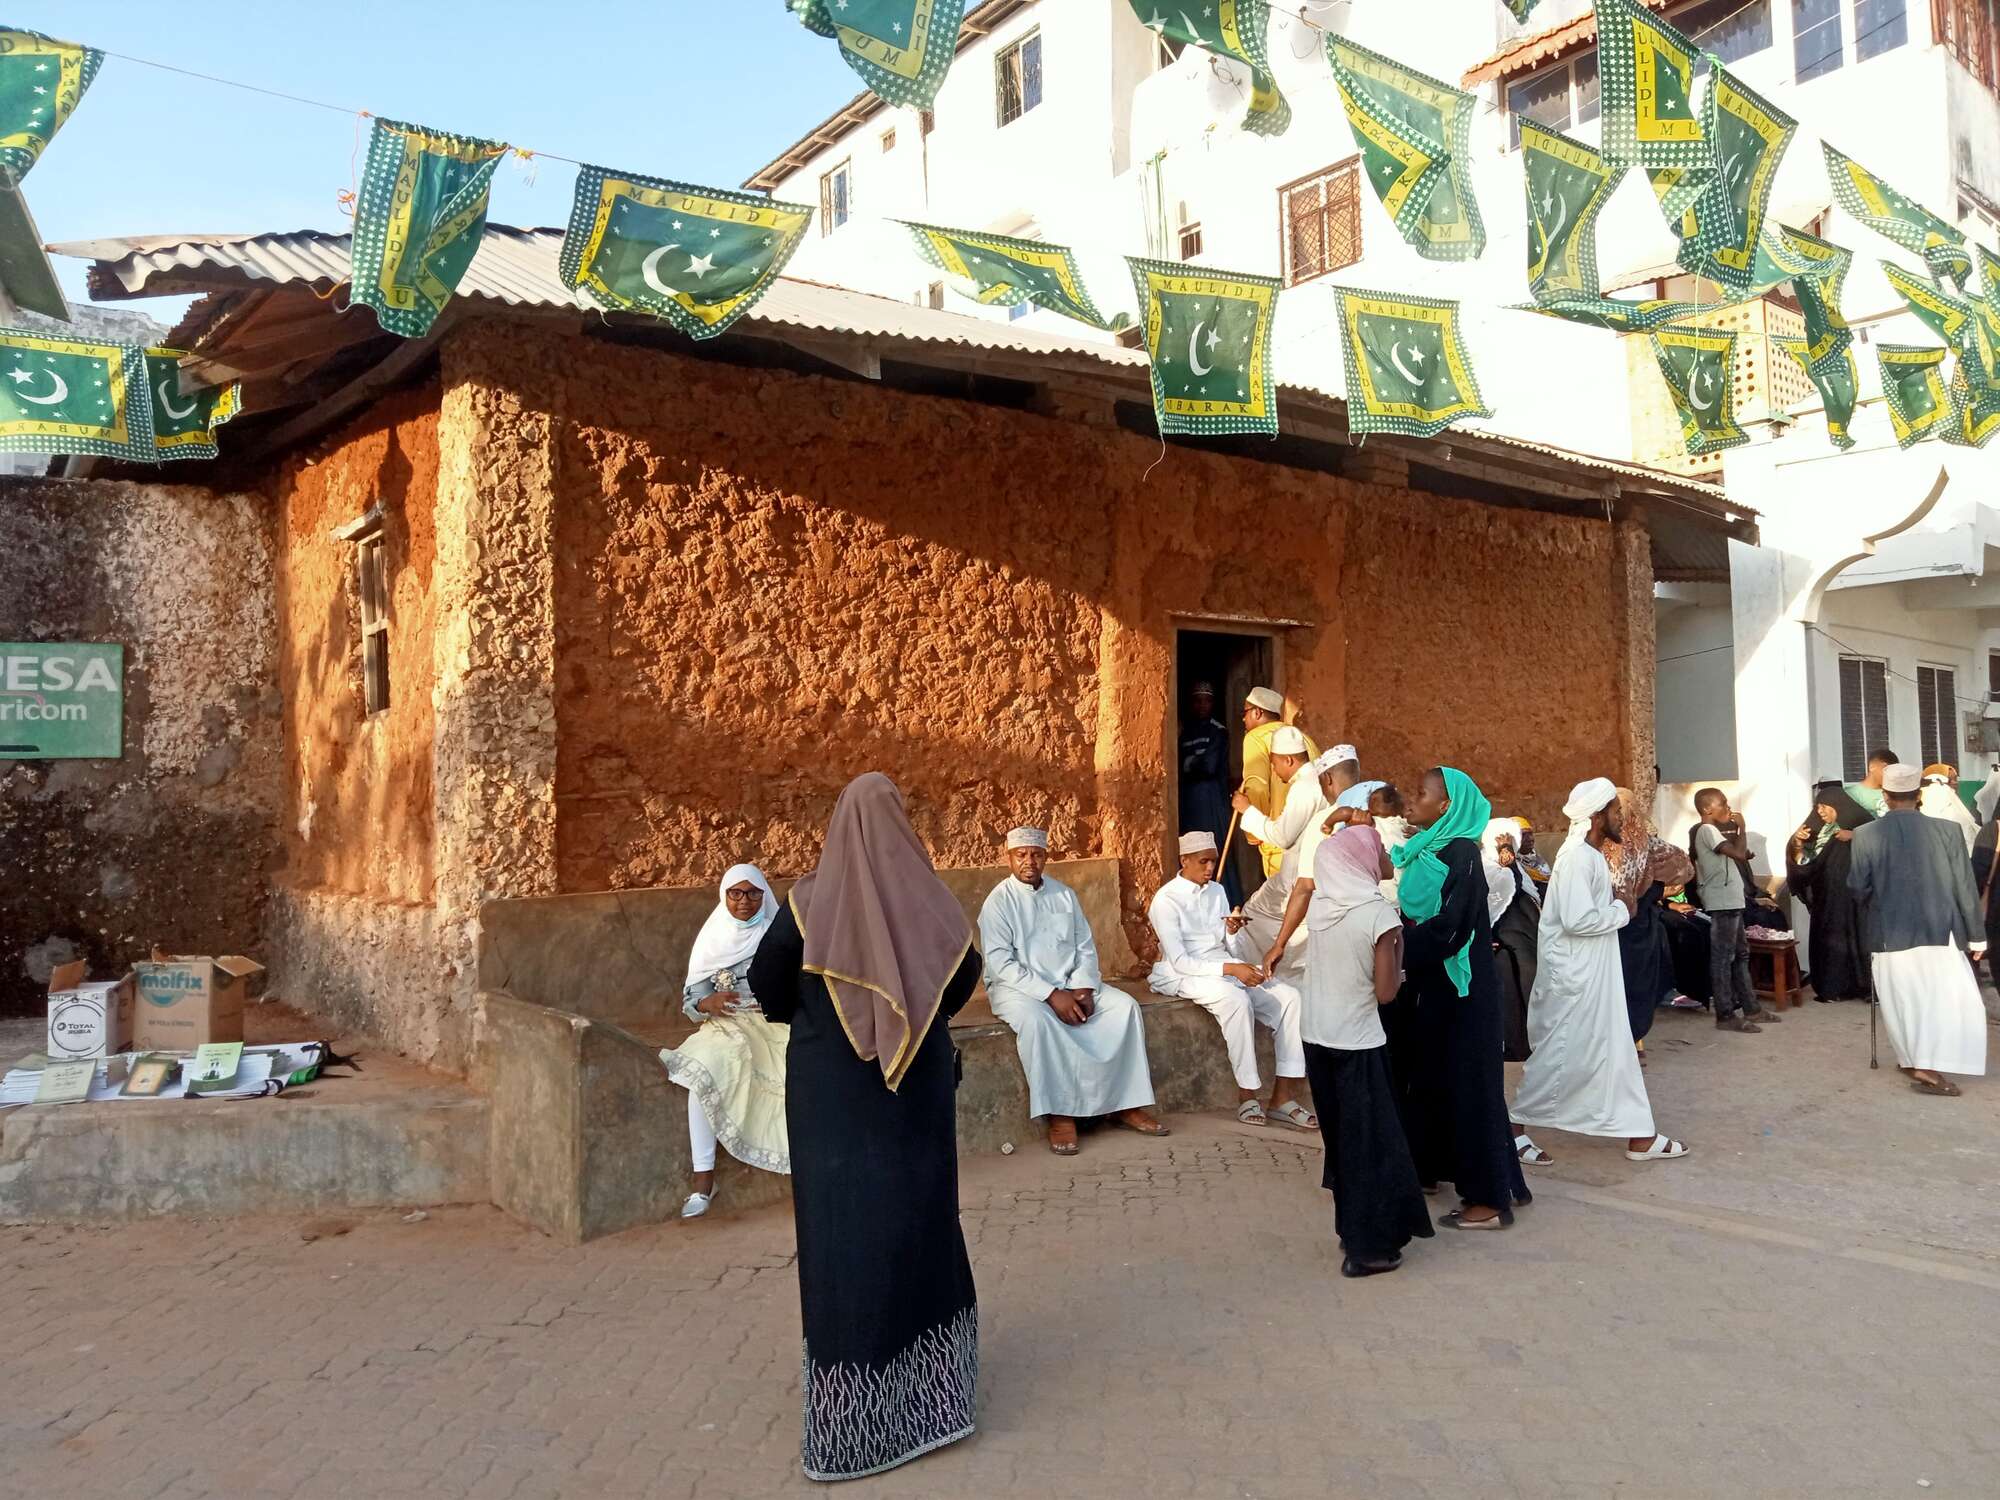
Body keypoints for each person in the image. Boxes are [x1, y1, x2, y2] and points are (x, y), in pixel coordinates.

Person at [747, 773, 982, 1482]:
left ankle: (853, 1432)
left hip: (833, 1102)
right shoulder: (934, 904)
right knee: (921, 1222)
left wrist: (822, 1020)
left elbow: (766, 986)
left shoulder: (807, 904)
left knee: (843, 1237)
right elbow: (961, 981)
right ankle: (935, 1407)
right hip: (917, 1097)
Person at [1513, 779, 1691, 1163]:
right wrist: (1619, 911)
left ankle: (1639, 1135)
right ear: (1596, 816)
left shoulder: (1590, 855)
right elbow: (1577, 920)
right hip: (1575, 979)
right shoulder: (1577, 857)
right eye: (1614, 812)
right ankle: (1512, 1129)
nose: (1620, 819)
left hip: (1595, 973)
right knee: (1557, 1056)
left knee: (1614, 1053)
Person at [1390, 767, 1532, 1230]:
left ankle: (1489, 1200)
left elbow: (1450, 928)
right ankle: (1430, 1169)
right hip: (1435, 988)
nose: (1413, 801)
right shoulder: (1427, 850)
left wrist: (1394, 947)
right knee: (1430, 1077)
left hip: (1463, 990)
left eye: (1422, 793)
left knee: (1472, 1088)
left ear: (1447, 806)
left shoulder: (1462, 854)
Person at [978, 827, 1167, 1156]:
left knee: (1124, 1008)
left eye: (1036, 855)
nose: (1029, 861)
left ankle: (1126, 1104)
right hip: (1019, 990)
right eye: (1021, 855)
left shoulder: (1064, 894)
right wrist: (1051, 995)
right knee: (1039, 1023)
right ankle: (1061, 1116)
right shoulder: (998, 902)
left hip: (1071, 983)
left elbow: (1084, 945)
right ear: (1008, 858)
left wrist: (1083, 986)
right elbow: (1000, 964)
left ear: (1046, 858)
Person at [1300, 823, 1435, 1278]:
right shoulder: (1378, 915)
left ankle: (1349, 1228)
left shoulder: (1322, 905)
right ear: (1359, 861)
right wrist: (1397, 954)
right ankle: (1368, 1248)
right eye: (1378, 850)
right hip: (1358, 1042)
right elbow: (1384, 994)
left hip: (1316, 1036)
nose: (1387, 856)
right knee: (1370, 1145)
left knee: (1341, 1141)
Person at [1148, 830, 1315, 1130]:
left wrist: (1232, 932)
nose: (1210, 869)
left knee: (1290, 998)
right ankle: (1247, 1095)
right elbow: (1181, 960)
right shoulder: (1165, 900)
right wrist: (1232, 970)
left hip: (1220, 963)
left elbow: (1228, 948)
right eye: (1203, 862)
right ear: (1184, 861)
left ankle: (1282, 1098)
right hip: (1180, 973)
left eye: (1212, 862)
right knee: (1235, 999)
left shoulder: (1216, 891)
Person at [1848, 764, 1989, 1096]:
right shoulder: (1949, 831)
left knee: (1902, 999)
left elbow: (1857, 888)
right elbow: (1965, 888)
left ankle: (1915, 1060)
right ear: (1919, 794)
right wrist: (1977, 935)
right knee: (1941, 1000)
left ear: (1886, 796)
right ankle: (1924, 1063)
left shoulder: (1865, 834)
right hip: (1943, 931)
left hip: (1890, 933)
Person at [660, 865, 791, 1219]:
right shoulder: (713, 938)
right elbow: (693, 999)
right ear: (724, 896)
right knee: (705, 1073)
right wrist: (708, 1004)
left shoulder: (777, 934)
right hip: (727, 1024)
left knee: (803, 1068)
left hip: (774, 1022)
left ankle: (813, 1177)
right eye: (736, 893)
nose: (744, 901)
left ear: (764, 896)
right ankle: (703, 1183)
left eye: (753, 893)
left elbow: (799, 984)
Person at [1234, 743, 1335, 986]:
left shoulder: (1305, 787)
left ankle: (1255, 975)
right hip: (1311, 876)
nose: (1274, 769)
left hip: (1298, 877)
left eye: (1276, 762)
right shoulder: (1315, 783)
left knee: (1251, 919)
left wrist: (1247, 811)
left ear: (1289, 760)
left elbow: (1282, 836)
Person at [1605, 787, 1696, 1047]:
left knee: (1624, 987)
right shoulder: (1647, 844)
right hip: (1636, 928)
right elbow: (1683, 868)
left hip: (1622, 929)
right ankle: (1632, 1042)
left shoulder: (1606, 846)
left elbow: (1682, 869)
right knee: (1634, 986)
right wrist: (1658, 888)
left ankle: (1626, 1044)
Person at [1690, 788, 1779, 1033]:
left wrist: (1741, 848)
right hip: (1723, 903)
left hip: (1732, 900)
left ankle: (1752, 1008)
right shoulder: (1707, 830)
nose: (1728, 809)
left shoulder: (1713, 833)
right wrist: (1741, 827)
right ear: (1708, 809)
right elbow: (1738, 853)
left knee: (1740, 955)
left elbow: (1736, 856)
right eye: (1723, 804)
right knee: (1723, 959)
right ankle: (1725, 1014)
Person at [1785, 783, 1873, 1003]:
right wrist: (1797, 842)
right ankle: (1835, 987)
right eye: (1818, 807)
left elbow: (1884, 844)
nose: (1820, 812)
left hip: (1858, 898)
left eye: (1824, 806)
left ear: (1838, 804)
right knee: (1832, 940)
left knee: (1860, 939)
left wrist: (1855, 836)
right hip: (1829, 898)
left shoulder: (1863, 824)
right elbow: (1806, 860)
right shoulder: (1822, 831)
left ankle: (1865, 987)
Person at [1239, 686, 1319, 879]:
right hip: (1312, 840)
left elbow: (1256, 787)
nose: (1243, 719)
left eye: (1245, 712)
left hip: (1278, 840)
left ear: (1257, 712)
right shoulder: (1303, 739)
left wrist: (1255, 834)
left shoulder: (1256, 738)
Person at [1481, 819, 1540, 1066]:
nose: (1509, 849)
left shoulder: (1519, 871)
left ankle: (1530, 1044)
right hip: (1499, 946)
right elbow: (1487, 905)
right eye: (1506, 843)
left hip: (1525, 942)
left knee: (1530, 986)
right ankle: (1513, 1046)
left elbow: (1522, 891)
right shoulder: (1485, 868)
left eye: (1511, 843)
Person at [1178, 682, 1237, 904]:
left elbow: (1209, 766)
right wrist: (1192, 764)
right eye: (1198, 700)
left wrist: (1189, 763)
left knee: (1214, 849)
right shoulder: (1185, 732)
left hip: (1211, 799)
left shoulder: (1217, 731)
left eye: (1207, 700)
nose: (1202, 705)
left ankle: (1227, 902)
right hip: (1189, 800)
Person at [1920, 766, 1980, 853]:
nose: (1955, 783)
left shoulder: (1955, 802)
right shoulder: (1937, 802)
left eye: (1956, 778)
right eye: (1949, 780)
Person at [1845, 748, 1898, 818]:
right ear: (1872, 767)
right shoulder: (1850, 794)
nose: (1889, 773)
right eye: (1885, 768)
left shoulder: (1897, 793)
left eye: (1893, 770)